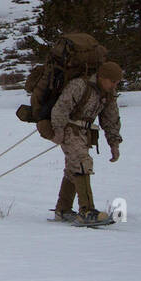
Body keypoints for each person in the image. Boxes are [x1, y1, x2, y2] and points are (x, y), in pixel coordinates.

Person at [51, 60, 123, 225]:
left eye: (117, 82)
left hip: (86, 132)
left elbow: (111, 119)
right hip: (69, 128)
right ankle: (87, 210)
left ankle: (63, 210)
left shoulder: (108, 94)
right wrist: (59, 131)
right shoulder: (79, 85)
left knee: (73, 167)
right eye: (112, 81)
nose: (114, 85)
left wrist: (114, 143)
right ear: (102, 77)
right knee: (82, 163)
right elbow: (61, 107)